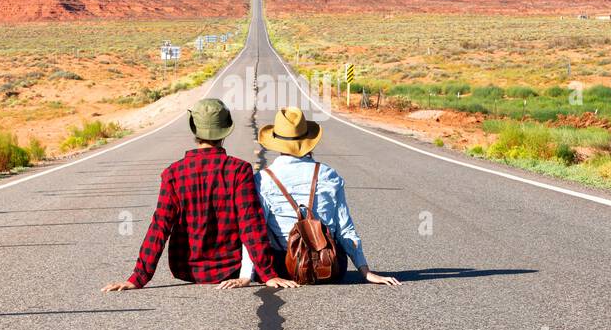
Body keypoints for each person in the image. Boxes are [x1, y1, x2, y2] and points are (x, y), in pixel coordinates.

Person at [102, 98, 299, 292]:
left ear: (194, 128)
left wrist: (138, 278)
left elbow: (160, 226)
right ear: (227, 129)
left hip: (188, 270)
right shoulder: (239, 170)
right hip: (230, 268)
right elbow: (250, 224)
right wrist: (268, 274)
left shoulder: (173, 174)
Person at [221, 107, 400, 289]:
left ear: (276, 143)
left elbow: (255, 231)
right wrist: (365, 271)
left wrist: (246, 275)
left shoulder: (264, 179)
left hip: (285, 267)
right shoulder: (329, 175)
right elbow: (345, 228)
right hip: (329, 267)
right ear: (307, 141)